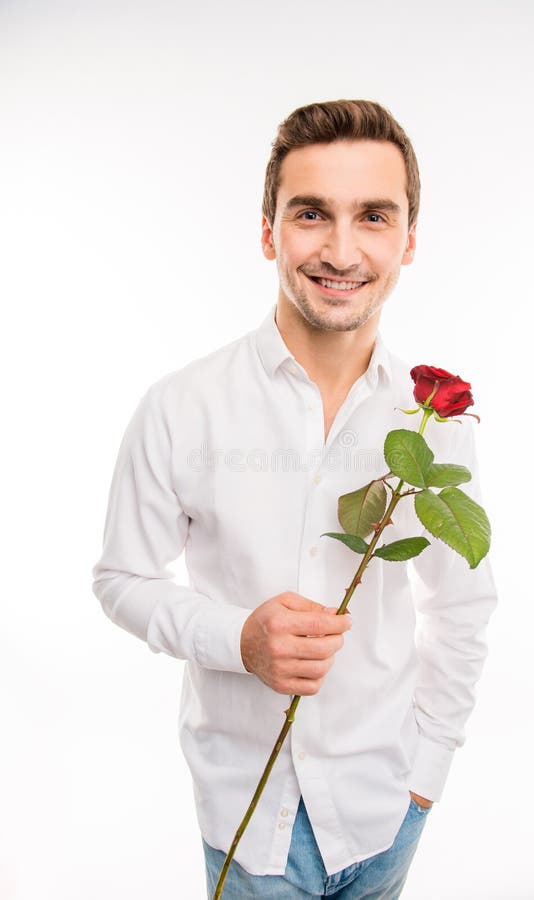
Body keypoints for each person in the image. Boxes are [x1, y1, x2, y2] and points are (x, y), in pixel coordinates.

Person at [91, 99, 497, 898]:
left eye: (373, 216)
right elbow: (120, 580)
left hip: (385, 810)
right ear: (268, 232)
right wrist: (236, 637)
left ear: (409, 239)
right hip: (247, 820)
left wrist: (427, 773)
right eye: (311, 213)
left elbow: (462, 603)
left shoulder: (432, 426)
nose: (341, 251)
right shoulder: (181, 406)